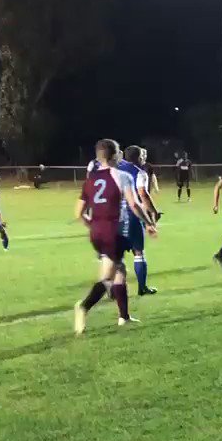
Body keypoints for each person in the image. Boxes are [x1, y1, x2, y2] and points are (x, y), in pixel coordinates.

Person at [74, 139, 157, 332]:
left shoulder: (90, 180)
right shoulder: (121, 176)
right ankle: (84, 307)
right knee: (108, 278)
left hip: (96, 233)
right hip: (113, 233)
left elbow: (78, 213)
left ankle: (124, 317)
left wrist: (92, 224)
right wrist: (149, 224)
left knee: (120, 272)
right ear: (115, 155)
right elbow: (135, 205)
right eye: (119, 152)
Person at [119, 145, 159, 296]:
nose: (144, 158)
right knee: (138, 253)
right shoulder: (139, 172)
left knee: (116, 255)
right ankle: (142, 288)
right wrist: (152, 212)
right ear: (138, 158)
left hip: (115, 217)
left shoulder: (117, 168)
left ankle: (113, 290)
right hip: (132, 215)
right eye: (142, 155)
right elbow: (143, 194)